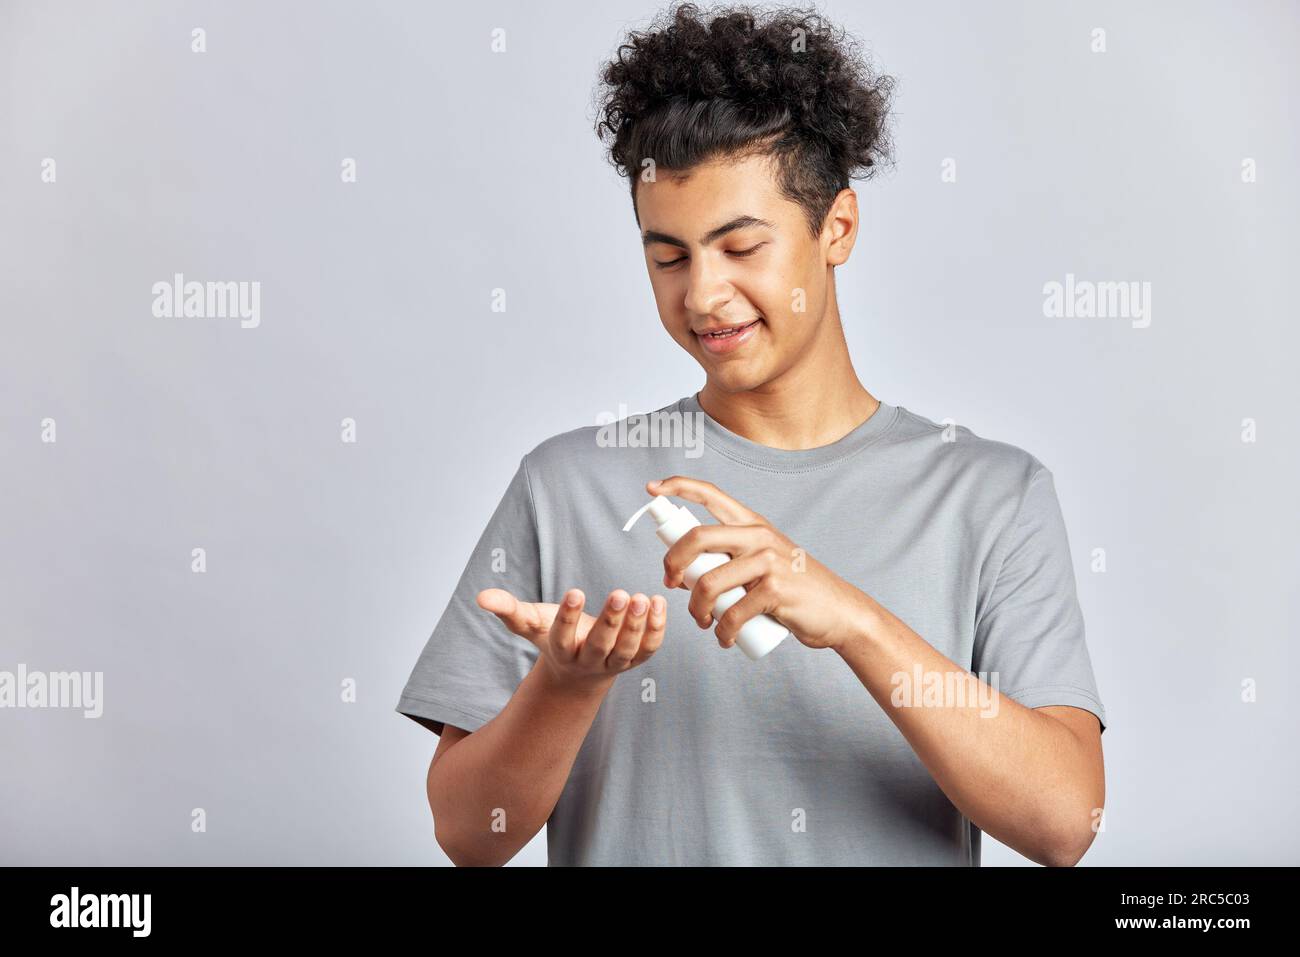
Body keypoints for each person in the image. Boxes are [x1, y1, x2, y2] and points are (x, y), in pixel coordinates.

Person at [396, 1, 1106, 866]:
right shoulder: (567, 485)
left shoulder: (991, 494)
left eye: (740, 247)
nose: (701, 294)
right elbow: (467, 837)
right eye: (668, 256)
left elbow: (1067, 823)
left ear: (835, 228)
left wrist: (851, 618)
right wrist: (565, 684)